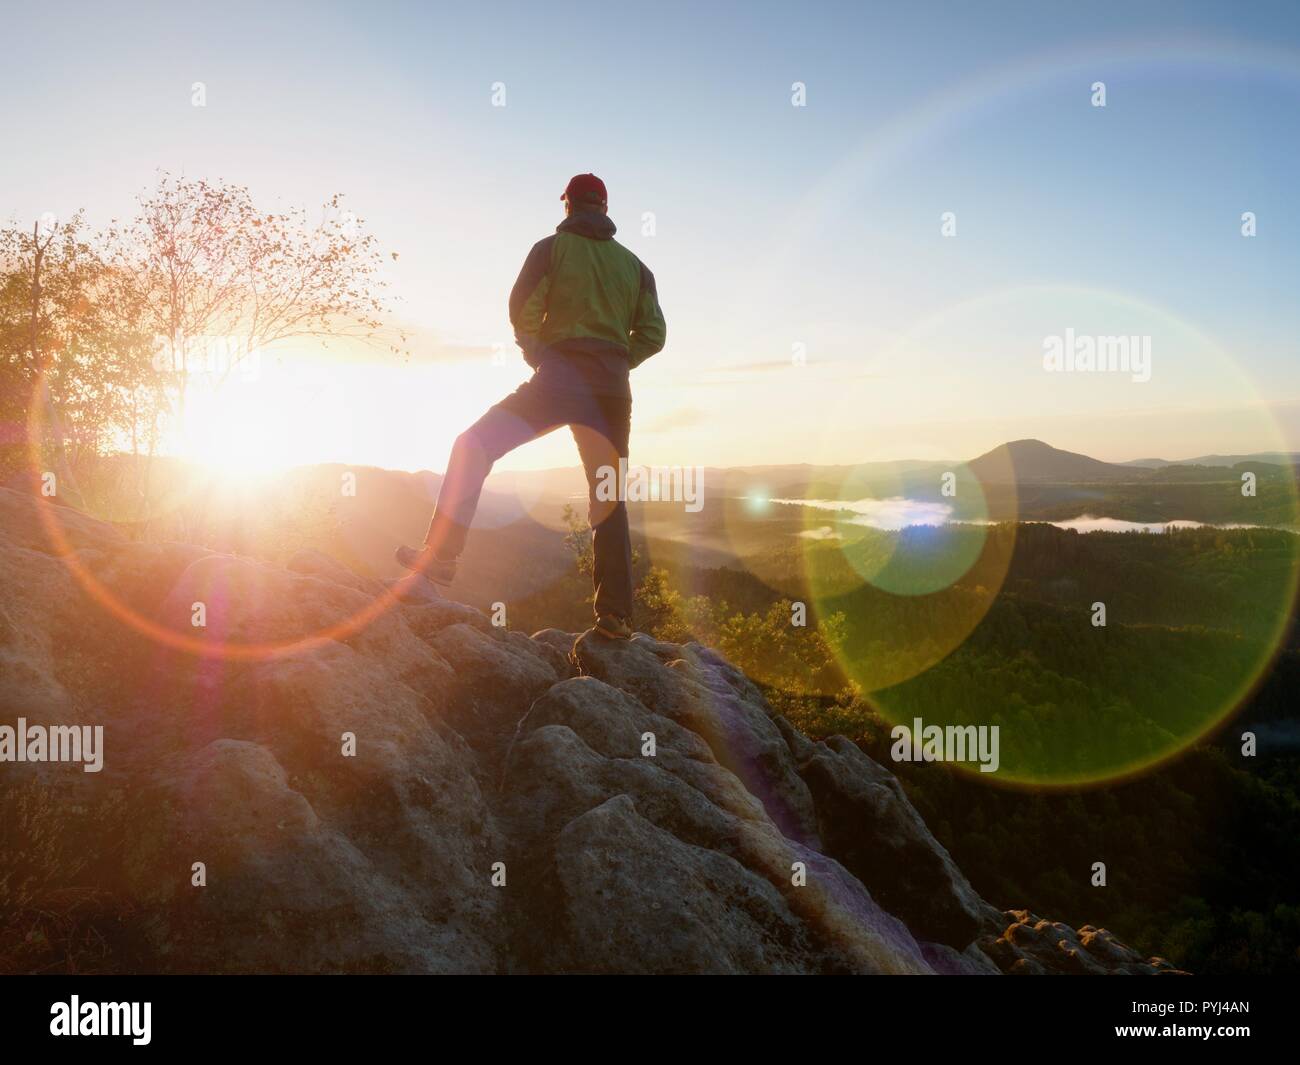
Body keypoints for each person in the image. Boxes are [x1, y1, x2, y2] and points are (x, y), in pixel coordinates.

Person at [396, 173, 667, 640]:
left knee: (473, 445)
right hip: (612, 393)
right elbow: (654, 334)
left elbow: (522, 306)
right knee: (609, 496)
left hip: (559, 380)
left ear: (568, 205)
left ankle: (441, 557)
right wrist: (619, 361)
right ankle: (617, 616)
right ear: (604, 208)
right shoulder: (637, 267)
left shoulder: (550, 249)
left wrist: (540, 354)